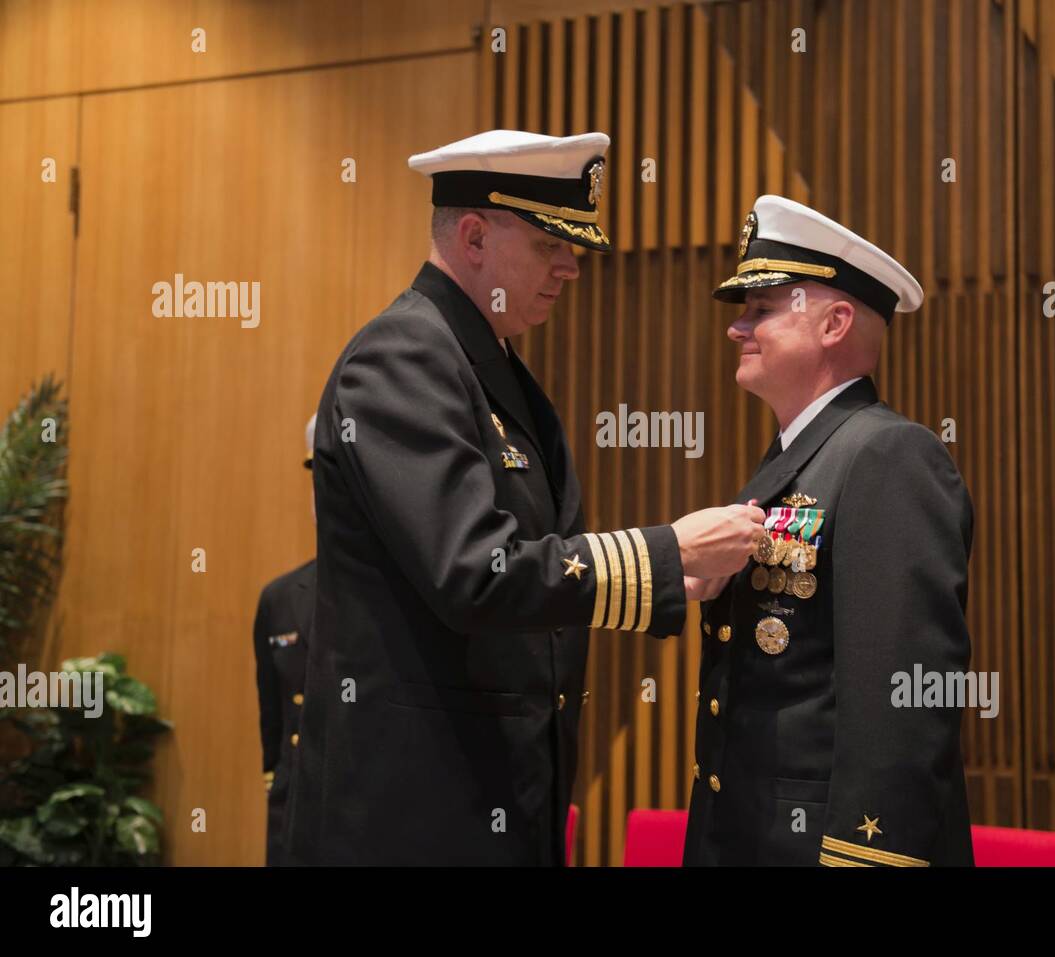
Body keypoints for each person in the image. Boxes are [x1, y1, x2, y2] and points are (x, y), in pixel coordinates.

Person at [286, 130, 764, 865]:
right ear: (474, 236)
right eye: (550, 244)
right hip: (415, 819)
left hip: (491, 803)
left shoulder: (488, 366)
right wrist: (663, 553)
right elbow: (478, 571)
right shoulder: (404, 356)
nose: (572, 268)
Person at [683, 195, 975, 866]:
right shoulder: (801, 455)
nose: (737, 328)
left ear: (835, 322)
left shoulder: (889, 455)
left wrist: (865, 856)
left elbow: (901, 701)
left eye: (761, 309)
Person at [252, 414, 317, 866]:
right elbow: (273, 721)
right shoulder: (278, 599)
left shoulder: (387, 597)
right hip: (292, 811)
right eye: (316, 475)